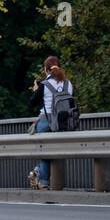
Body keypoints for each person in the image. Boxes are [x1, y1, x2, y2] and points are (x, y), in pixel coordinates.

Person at [28, 56, 76, 190]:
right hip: (63, 122)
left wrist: (35, 90)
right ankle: (42, 176)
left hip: (46, 121)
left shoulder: (44, 85)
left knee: (45, 152)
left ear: (45, 69)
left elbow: (31, 103)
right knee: (56, 152)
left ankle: (41, 178)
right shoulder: (68, 84)